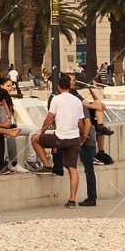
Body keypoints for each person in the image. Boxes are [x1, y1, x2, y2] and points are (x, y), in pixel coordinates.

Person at [35, 72, 89, 206]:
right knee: (72, 169)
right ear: (69, 86)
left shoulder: (56, 99)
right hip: (74, 139)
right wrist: (83, 137)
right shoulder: (77, 101)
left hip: (60, 138)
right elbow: (81, 123)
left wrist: (41, 132)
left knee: (34, 139)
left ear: (59, 87)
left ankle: (47, 165)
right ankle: (72, 200)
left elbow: (49, 118)